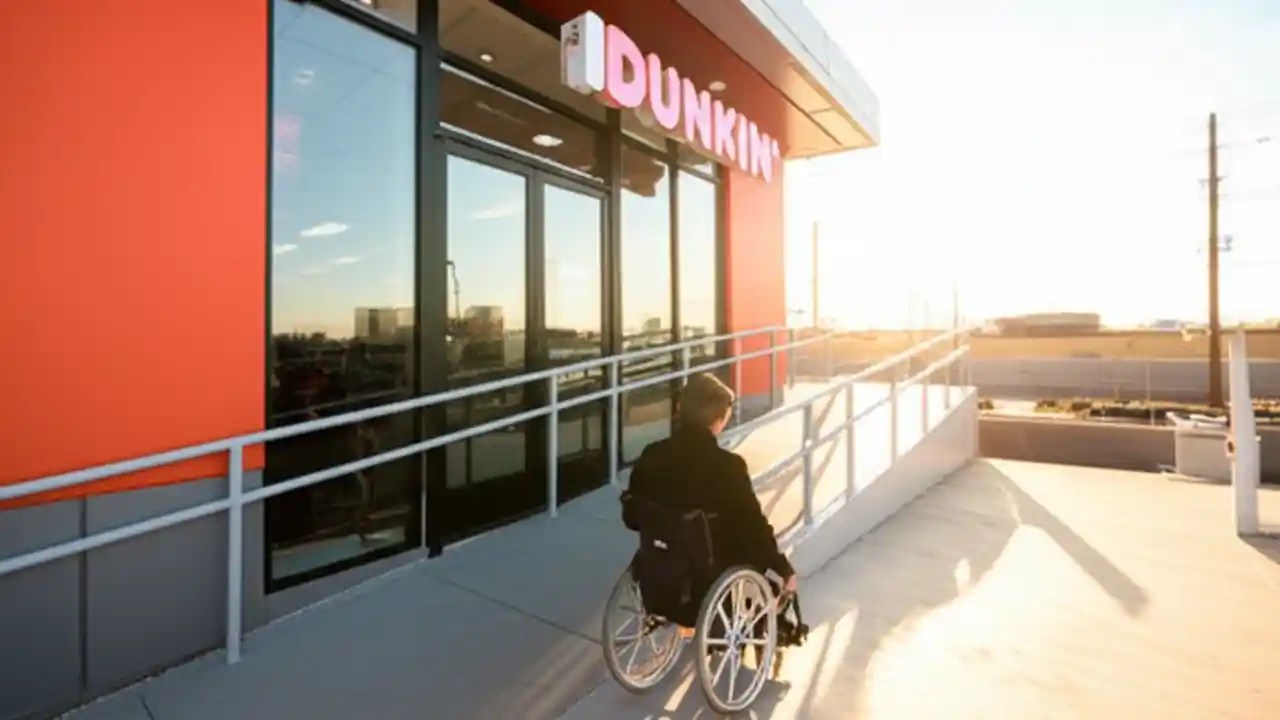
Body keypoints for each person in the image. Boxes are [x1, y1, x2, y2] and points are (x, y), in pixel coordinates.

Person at [626, 372, 797, 605]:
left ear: (680, 408)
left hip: (658, 569)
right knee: (746, 539)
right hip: (705, 579)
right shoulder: (728, 467)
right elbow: (753, 526)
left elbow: (632, 518)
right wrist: (782, 567)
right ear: (718, 420)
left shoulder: (651, 453)